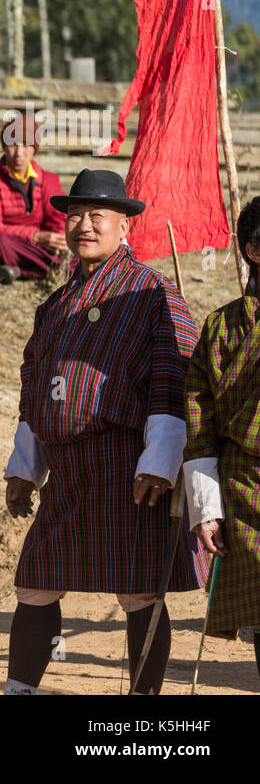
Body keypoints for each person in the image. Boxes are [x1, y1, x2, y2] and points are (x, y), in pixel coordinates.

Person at [3, 169, 203, 695]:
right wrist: (26, 470)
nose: (83, 225)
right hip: (65, 469)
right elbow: (33, 389)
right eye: (74, 215)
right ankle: (18, 690)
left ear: (124, 226)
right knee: (35, 582)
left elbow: (174, 377)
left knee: (139, 593)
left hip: (128, 466)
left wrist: (160, 462)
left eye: (97, 215)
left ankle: (141, 703)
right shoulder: (54, 306)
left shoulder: (153, 292)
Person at [181, 196, 260, 675]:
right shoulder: (222, 327)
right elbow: (199, 423)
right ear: (254, 250)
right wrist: (206, 510)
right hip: (244, 488)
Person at [0, 119, 68, 283]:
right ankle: (54, 270)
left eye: (26, 145)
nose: (19, 152)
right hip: (11, 243)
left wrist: (58, 240)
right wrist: (35, 236)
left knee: (74, 251)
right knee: (1, 245)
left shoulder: (48, 179)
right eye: (12, 144)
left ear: (34, 149)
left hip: (40, 247)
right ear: (4, 146)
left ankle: (19, 271)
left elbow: (57, 218)